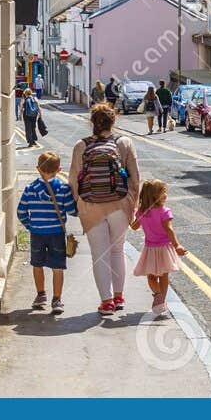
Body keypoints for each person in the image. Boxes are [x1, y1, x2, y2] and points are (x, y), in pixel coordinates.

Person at [70, 102, 140, 317]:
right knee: (117, 251)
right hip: (120, 203)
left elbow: (74, 180)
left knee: (100, 255)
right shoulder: (125, 142)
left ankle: (106, 302)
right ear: (113, 120)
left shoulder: (81, 146)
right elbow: (135, 178)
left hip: (91, 206)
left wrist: (79, 204)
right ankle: (119, 297)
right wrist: (133, 205)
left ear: (92, 122)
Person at [16, 150, 77, 315]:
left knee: (37, 264)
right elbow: (72, 210)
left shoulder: (30, 189)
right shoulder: (63, 189)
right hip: (56, 233)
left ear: (38, 168)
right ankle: (56, 300)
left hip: (37, 234)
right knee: (58, 267)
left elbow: (21, 212)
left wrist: (31, 226)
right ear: (58, 169)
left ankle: (41, 295)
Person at [129, 178, 186, 319]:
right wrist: (177, 245)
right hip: (165, 248)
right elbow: (169, 230)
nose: (166, 194)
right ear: (156, 196)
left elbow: (134, 227)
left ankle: (158, 295)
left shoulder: (142, 212)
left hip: (150, 249)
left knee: (151, 276)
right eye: (164, 192)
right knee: (164, 275)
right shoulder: (164, 211)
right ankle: (161, 300)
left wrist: (131, 215)